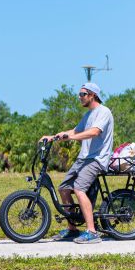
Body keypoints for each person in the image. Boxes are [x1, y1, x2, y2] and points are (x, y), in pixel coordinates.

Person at [41, 82, 113, 244]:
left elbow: (95, 132)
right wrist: (52, 137)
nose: (79, 97)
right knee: (64, 189)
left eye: (82, 94)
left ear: (92, 95)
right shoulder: (88, 115)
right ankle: (73, 229)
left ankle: (92, 231)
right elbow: (74, 131)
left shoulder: (104, 112)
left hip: (97, 158)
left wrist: (71, 137)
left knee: (79, 188)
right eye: (79, 94)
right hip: (84, 158)